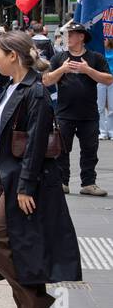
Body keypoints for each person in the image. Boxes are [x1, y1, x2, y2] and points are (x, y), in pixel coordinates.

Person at [0, 30, 82, 308]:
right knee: (22, 245)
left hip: (23, 180)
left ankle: (37, 305)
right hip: (4, 177)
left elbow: (37, 141)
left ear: (13, 56)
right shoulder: (11, 87)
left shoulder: (34, 91)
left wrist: (25, 186)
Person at [43, 23, 111, 196]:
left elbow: (108, 79)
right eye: (67, 34)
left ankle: (89, 183)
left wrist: (87, 70)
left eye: (71, 34)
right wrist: (63, 69)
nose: (67, 37)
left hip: (88, 113)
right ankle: (62, 181)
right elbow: (46, 80)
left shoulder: (95, 58)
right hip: (64, 113)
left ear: (81, 37)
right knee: (62, 150)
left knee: (90, 150)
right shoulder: (59, 58)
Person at [100, 36, 113, 140]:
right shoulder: (99, 51)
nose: (103, 41)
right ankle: (102, 132)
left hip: (112, 79)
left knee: (112, 107)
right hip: (100, 78)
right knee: (99, 107)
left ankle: (111, 131)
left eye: (105, 39)